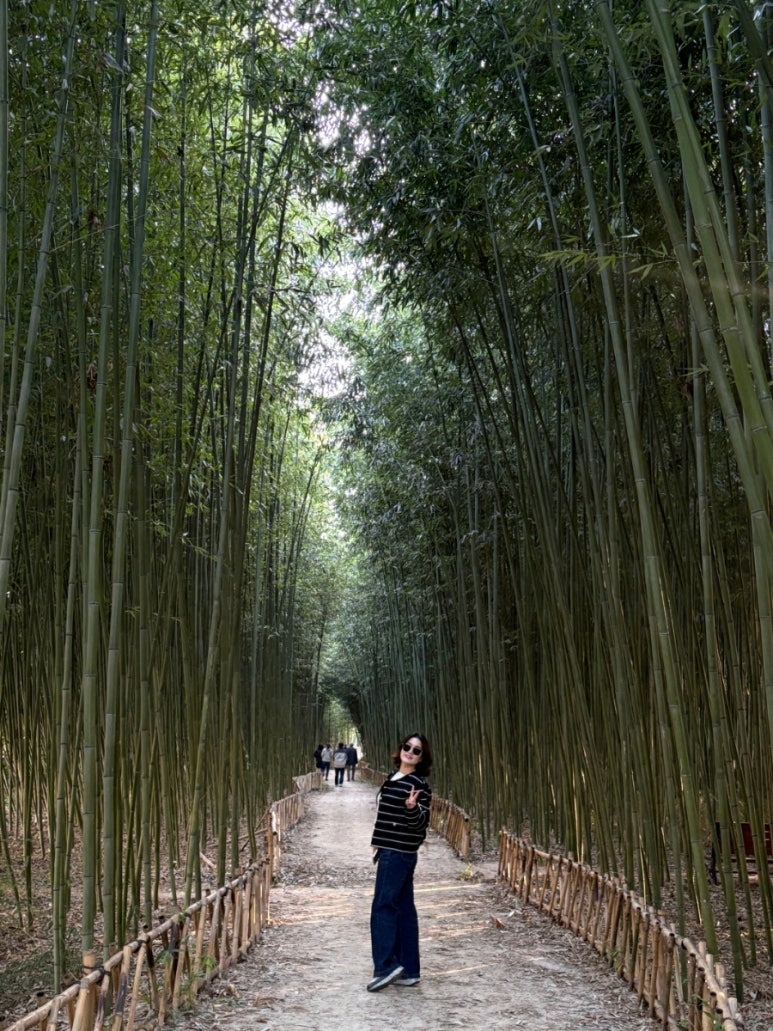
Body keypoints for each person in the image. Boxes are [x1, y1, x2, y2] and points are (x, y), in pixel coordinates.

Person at [367, 732, 432, 992]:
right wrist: (377, 840)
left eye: (417, 750)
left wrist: (411, 808)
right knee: (403, 909)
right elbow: (384, 817)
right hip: (390, 850)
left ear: (421, 758)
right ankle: (409, 970)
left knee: (382, 907)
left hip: (399, 853)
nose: (410, 752)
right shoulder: (393, 778)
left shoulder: (418, 786)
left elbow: (421, 826)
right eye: (408, 747)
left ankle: (385, 967)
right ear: (400, 748)